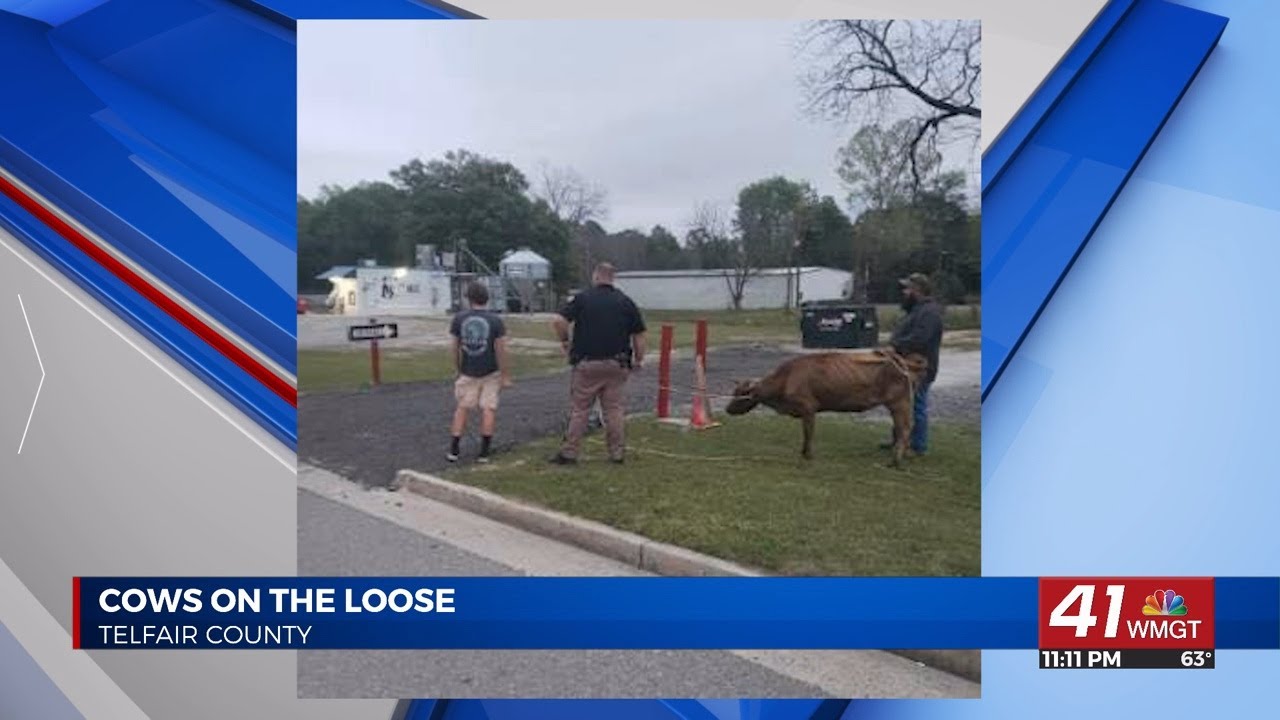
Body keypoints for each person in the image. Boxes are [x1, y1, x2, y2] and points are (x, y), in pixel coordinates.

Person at [550, 262, 646, 464]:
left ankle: (569, 452)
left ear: (596, 276)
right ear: (613, 278)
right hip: (617, 364)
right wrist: (638, 359)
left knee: (581, 409)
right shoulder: (626, 302)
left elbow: (558, 321)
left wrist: (565, 341)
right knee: (614, 409)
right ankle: (617, 453)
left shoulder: (583, 298)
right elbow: (638, 335)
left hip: (587, 364)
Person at [447, 281, 511, 463]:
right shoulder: (495, 321)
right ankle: (484, 452)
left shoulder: (459, 319)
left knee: (462, 408)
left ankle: (454, 449)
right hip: (491, 372)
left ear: (469, 299)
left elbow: (454, 346)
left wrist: (457, 368)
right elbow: (500, 350)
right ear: (486, 298)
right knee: (488, 408)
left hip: (468, 370)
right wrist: (505, 374)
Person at [886, 272, 943, 455]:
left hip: (921, 367)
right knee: (901, 404)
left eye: (907, 288)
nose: (904, 292)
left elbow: (920, 339)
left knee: (916, 406)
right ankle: (899, 440)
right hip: (907, 364)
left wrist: (896, 344)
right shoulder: (916, 310)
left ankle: (918, 446)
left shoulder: (929, 312)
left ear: (917, 290)